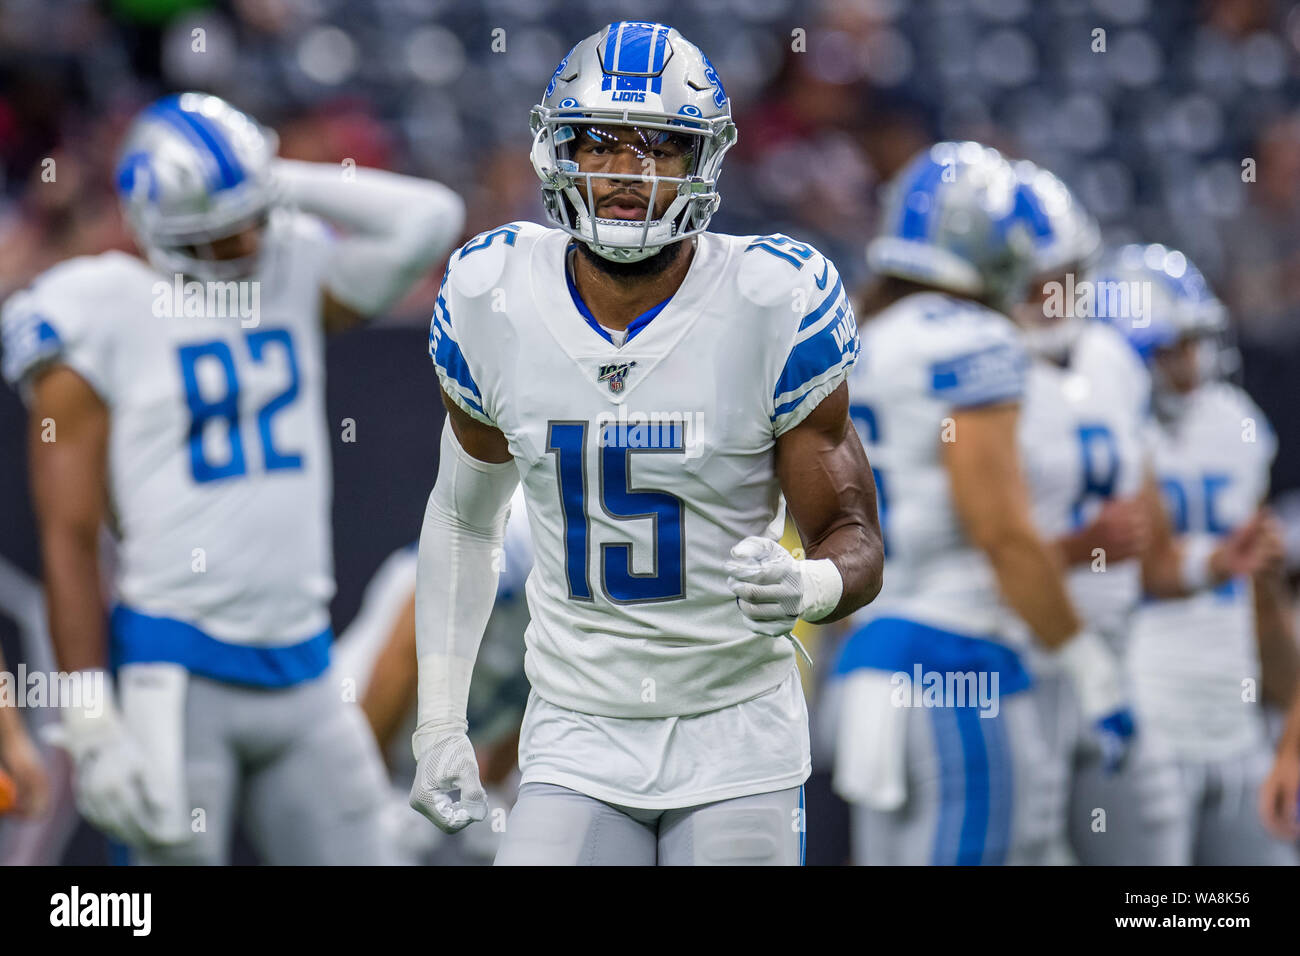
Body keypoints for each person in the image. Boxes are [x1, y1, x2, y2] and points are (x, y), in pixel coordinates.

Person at [408, 21, 884, 866]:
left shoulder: (773, 300)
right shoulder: (494, 296)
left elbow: (856, 544)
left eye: (661, 146)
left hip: (737, 737)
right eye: (599, 143)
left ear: (702, 161)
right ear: (558, 152)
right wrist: (440, 721)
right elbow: (462, 521)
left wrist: (806, 584)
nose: (627, 172)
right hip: (575, 734)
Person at [0, 92, 465, 864]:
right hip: (178, 669)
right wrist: (87, 717)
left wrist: (265, 175)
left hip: (303, 668)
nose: (248, 242)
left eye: (254, 217)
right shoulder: (100, 309)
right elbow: (70, 532)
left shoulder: (286, 270)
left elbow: (429, 220)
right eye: (220, 231)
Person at [831, 141, 1129, 866]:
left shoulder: (855, 338)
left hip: (867, 663)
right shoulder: (973, 340)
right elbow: (1000, 533)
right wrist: (1091, 667)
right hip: (958, 666)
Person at [1092, 245, 1298, 865]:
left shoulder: (1234, 422)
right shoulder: (1101, 434)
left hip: (1234, 723)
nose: (1189, 364)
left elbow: (1264, 592)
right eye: (1166, 348)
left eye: (1193, 342)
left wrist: (1289, 725)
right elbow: (1144, 568)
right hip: (1143, 721)